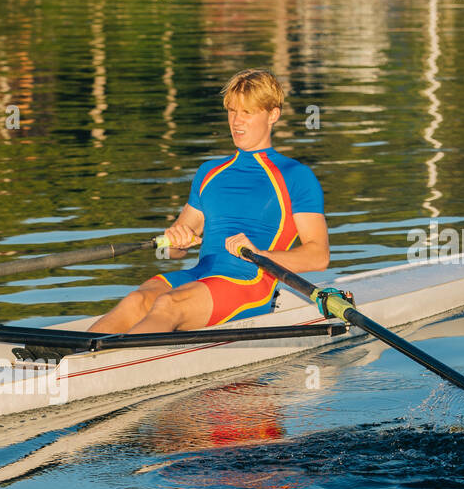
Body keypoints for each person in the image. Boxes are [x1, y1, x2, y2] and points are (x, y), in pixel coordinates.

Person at [89, 69, 329, 335]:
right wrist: (176, 240)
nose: (236, 121)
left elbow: (319, 256)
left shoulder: (295, 176)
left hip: (248, 283)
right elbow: (173, 251)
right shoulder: (209, 173)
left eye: (247, 113)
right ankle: (67, 362)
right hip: (201, 276)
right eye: (232, 111)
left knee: (169, 303)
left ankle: (110, 365)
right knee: (137, 300)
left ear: (273, 115)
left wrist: (261, 255)